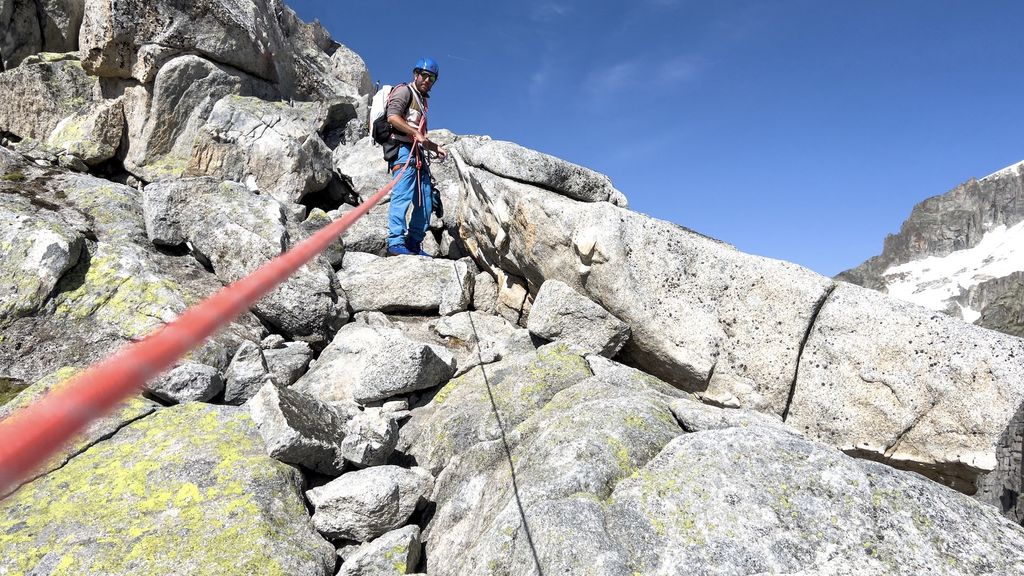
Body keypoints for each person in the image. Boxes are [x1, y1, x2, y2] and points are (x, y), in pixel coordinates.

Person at [383, 57, 448, 256]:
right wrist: (414, 134)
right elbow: (392, 117)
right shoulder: (405, 91)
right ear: (416, 75)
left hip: (417, 154)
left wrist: (435, 147)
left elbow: (419, 135)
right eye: (425, 76)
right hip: (403, 152)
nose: (427, 81)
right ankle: (395, 242)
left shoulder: (422, 102)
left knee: (426, 200)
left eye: (432, 78)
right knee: (402, 195)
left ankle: (413, 242)